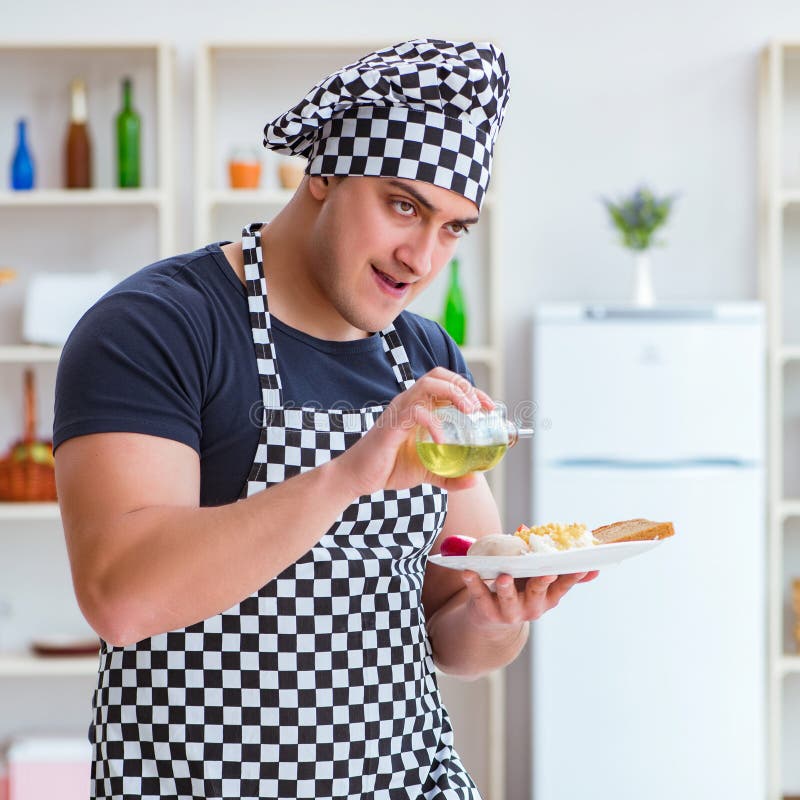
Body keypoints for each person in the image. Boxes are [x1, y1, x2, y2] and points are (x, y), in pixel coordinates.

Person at [54, 38, 596, 800]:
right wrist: (350, 474)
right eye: (404, 205)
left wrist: (503, 611)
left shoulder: (424, 355)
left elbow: (455, 629)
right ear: (323, 173)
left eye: (453, 228)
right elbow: (121, 599)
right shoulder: (156, 327)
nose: (421, 258)